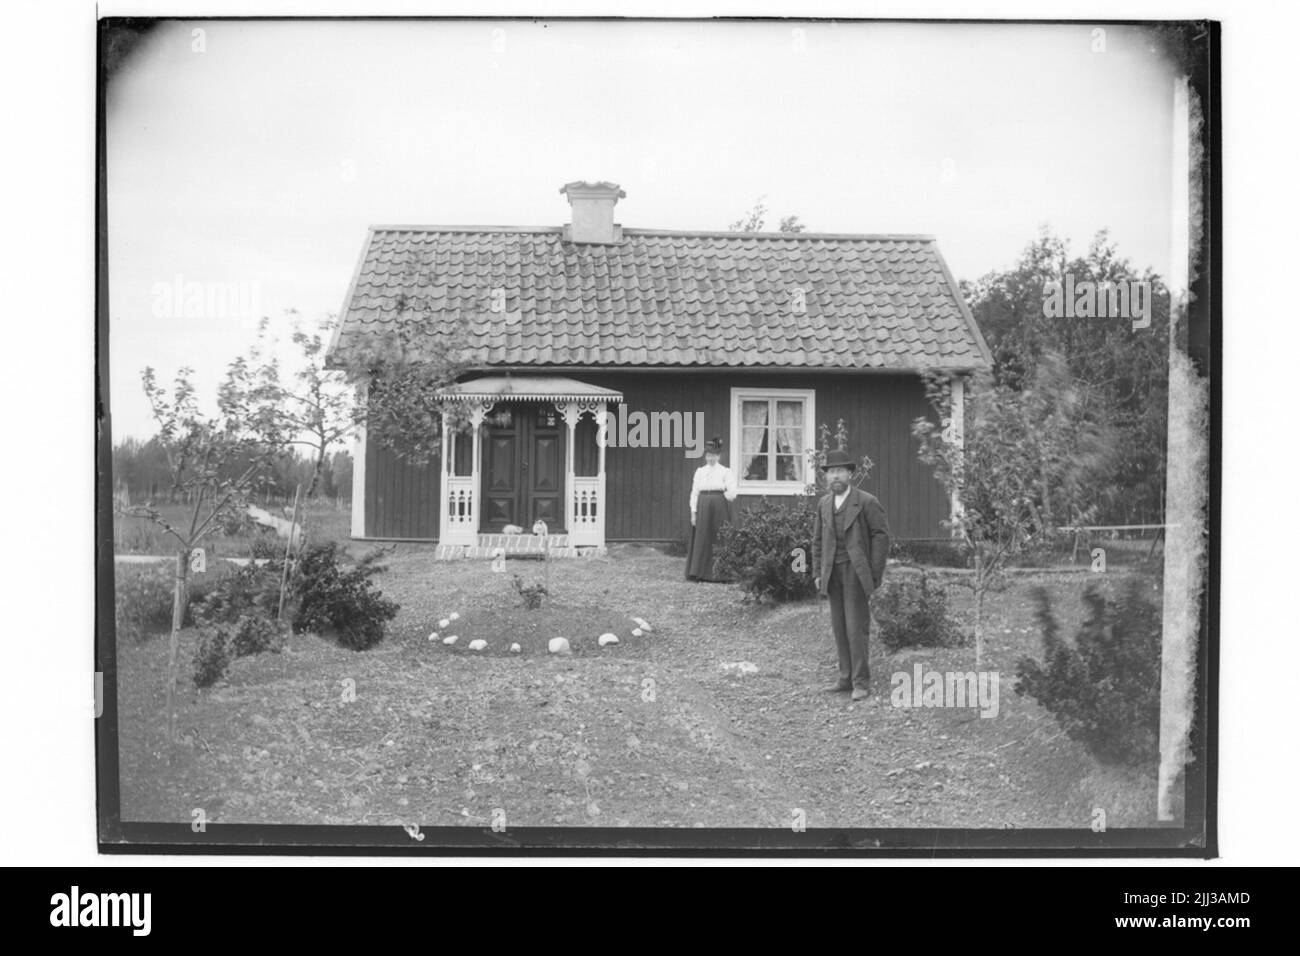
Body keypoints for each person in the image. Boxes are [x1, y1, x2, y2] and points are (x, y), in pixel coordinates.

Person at [811, 449, 891, 700]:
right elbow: (817, 540)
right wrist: (817, 572)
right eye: (831, 472)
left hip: (856, 572)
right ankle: (844, 677)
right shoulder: (824, 504)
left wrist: (874, 572)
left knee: (856, 627)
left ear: (850, 474)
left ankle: (861, 681)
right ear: (827, 477)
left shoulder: (866, 501)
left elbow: (881, 536)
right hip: (832, 572)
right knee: (839, 626)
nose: (835, 476)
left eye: (840, 472)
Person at [685, 437, 738, 582]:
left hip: (719, 505)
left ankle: (721, 574)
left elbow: (732, 491)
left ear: (719, 456)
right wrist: (693, 512)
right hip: (702, 504)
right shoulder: (700, 471)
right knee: (702, 536)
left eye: (713, 455)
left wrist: (723, 498)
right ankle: (698, 572)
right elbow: (694, 492)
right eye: (708, 455)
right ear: (705, 456)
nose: (711, 458)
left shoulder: (725, 471)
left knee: (718, 536)